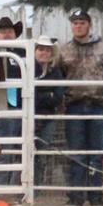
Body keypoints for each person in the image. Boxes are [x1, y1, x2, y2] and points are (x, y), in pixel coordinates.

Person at [59, 9, 103, 206]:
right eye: (75, 22)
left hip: (99, 104)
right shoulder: (64, 50)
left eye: (82, 22)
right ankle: (76, 197)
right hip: (74, 104)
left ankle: (95, 196)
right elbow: (58, 74)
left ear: (89, 25)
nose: (78, 26)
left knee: (97, 153)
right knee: (76, 153)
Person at [0, 17, 25, 187]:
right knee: (1, 148)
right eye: (3, 32)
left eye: (10, 31)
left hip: (22, 105)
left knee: (20, 150)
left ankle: (17, 188)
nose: (7, 34)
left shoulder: (24, 53)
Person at [33, 35, 65, 188]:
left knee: (41, 154)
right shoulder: (27, 68)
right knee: (25, 152)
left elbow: (58, 97)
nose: (43, 53)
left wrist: (39, 94)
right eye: (40, 49)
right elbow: (26, 94)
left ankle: (36, 188)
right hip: (29, 116)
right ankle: (23, 187)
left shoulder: (55, 72)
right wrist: (47, 95)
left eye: (47, 50)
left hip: (47, 117)